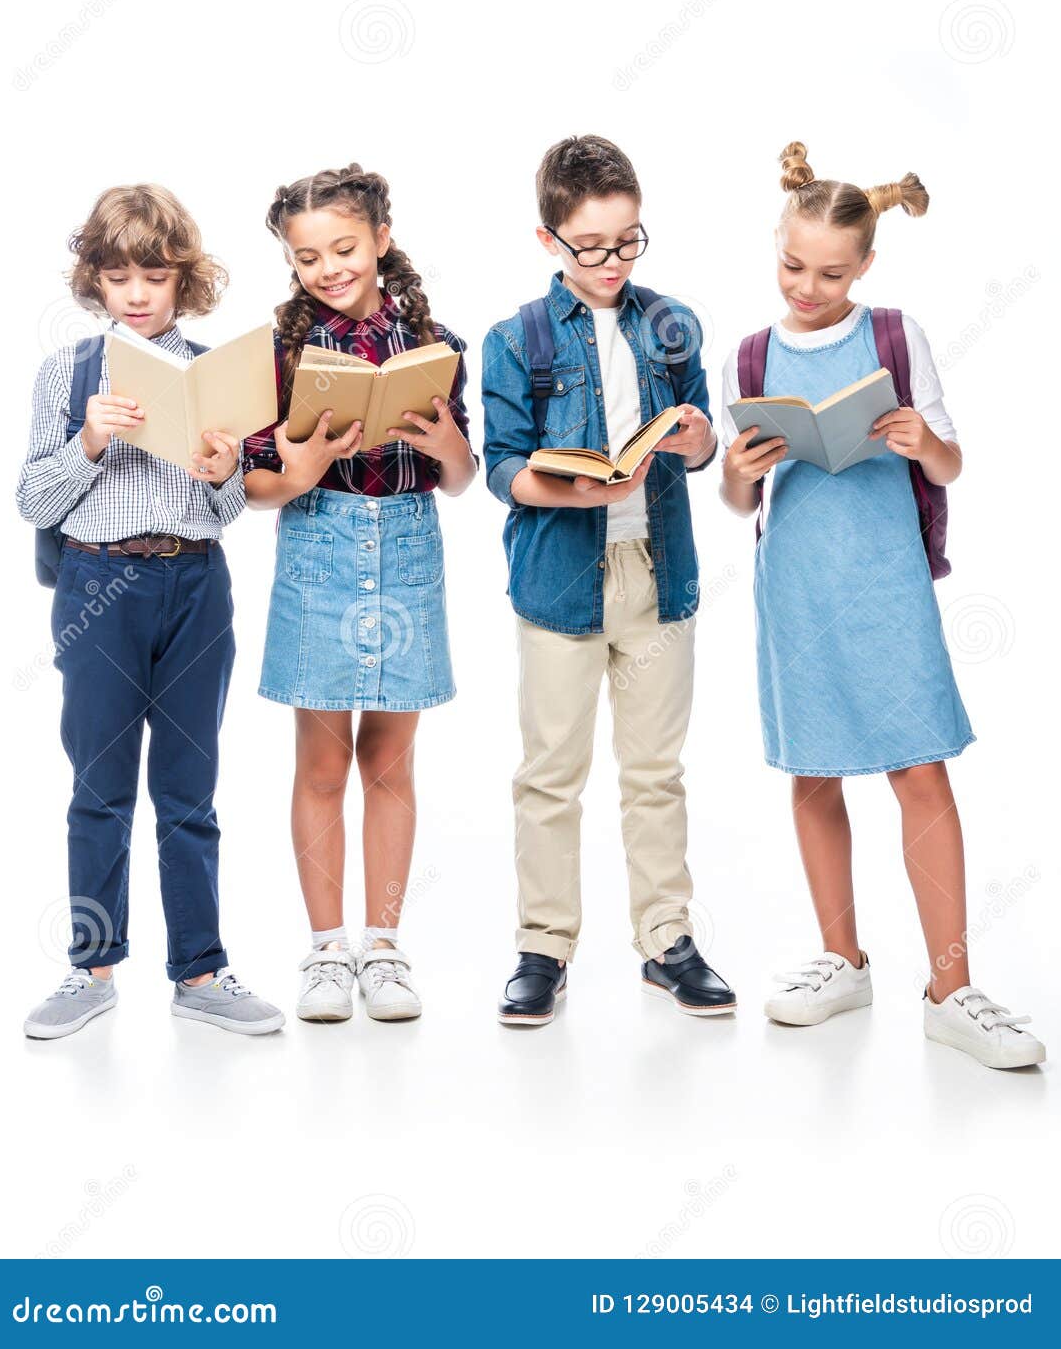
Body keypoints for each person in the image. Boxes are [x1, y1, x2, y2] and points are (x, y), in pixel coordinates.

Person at [719, 141, 1044, 1069]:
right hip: (797, 584)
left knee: (920, 772)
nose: (808, 287)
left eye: (831, 271)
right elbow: (745, 504)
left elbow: (950, 462)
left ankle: (952, 986)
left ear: (866, 264)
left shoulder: (895, 336)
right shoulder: (751, 352)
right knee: (814, 772)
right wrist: (739, 477)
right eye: (792, 265)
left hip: (887, 582)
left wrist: (917, 440)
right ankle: (842, 957)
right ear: (775, 246)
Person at [18, 184, 284, 1038]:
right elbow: (31, 499)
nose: (137, 293)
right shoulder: (68, 373)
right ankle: (90, 968)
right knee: (99, 786)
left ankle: (201, 971)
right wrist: (90, 441)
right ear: (94, 279)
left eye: (155, 277)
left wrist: (219, 475)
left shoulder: (217, 372)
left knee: (189, 789)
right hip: (98, 587)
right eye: (119, 274)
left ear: (182, 281)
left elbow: (222, 512)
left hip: (196, 584)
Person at [482, 134, 734, 1025]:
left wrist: (698, 442)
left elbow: (702, 435)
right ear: (550, 240)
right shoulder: (518, 338)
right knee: (551, 773)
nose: (613, 261)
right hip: (560, 579)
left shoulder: (673, 322)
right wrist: (583, 487)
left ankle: (667, 941)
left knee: (656, 769)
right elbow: (502, 468)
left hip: (659, 574)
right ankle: (542, 948)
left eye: (629, 240)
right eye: (592, 246)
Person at [244, 163, 476, 1024]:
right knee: (319, 761)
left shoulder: (439, 341)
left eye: (345, 247)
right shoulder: (279, 353)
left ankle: (384, 947)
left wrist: (450, 443)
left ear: (381, 237)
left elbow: (458, 481)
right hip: (320, 544)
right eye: (309, 257)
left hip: (409, 542)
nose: (330, 268)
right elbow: (258, 483)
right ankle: (326, 951)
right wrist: (301, 466)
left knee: (390, 760)